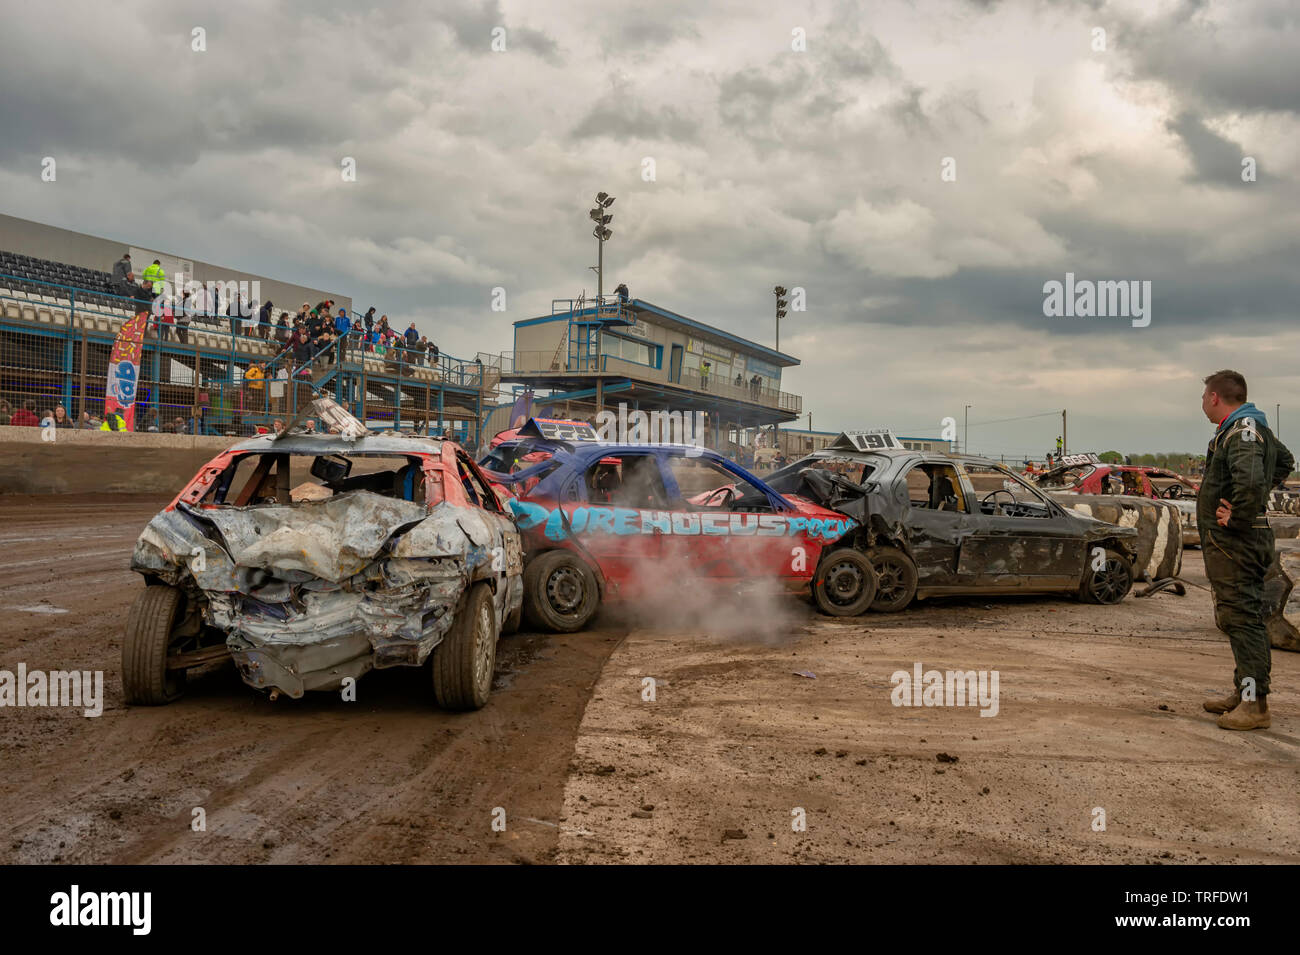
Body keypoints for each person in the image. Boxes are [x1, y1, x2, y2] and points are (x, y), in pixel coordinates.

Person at [1198, 370, 1295, 731]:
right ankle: (1246, 691)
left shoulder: (1241, 431)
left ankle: (1255, 705)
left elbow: (1252, 479)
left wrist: (1238, 514)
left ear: (1214, 397)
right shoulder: (1250, 428)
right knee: (1238, 617)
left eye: (1203, 397)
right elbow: (1284, 463)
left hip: (1237, 543)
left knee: (1243, 618)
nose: (1202, 404)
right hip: (1234, 544)